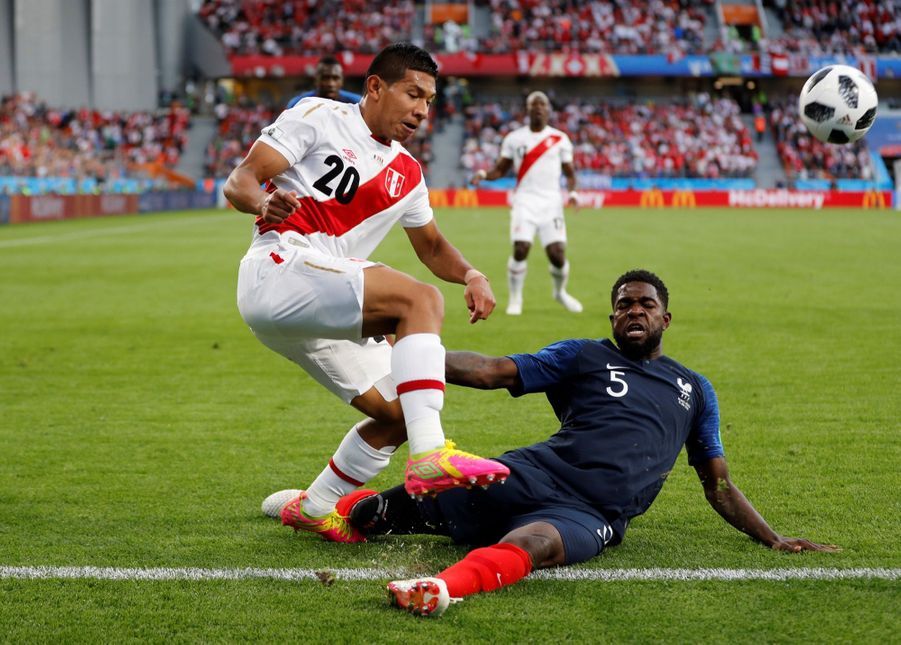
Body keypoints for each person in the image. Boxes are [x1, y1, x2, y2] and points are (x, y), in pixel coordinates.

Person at [298, 269, 838, 616]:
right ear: (612, 316)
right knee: (376, 516)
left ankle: (441, 590)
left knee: (535, 544)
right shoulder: (583, 355)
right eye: (624, 304)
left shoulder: (694, 389)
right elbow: (493, 371)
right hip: (529, 473)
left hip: (593, 511)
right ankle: (313, 506)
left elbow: (717, 483)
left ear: (665, 318)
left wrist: (773, 538)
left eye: (645, 305)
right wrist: (416, 351)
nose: (634, 311)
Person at [225, 43, 509, 545]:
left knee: (402, 411)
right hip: (280, 268)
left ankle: (313, 506)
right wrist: (265, 202)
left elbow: (433, 245)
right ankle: (432, 453)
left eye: (430, 100)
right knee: (420, 302)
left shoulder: (408, 173)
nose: (422, 110)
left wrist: (470, 275)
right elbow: (241, 180)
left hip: (320, 303)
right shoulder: (319, 115)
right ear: (375, 87)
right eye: (413, 94)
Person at [470, 91, 582, 316]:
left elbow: (570, 173)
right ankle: (516, 298)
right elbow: (500, 169)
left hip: (551, 203)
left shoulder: (560, 139)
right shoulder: (514, 138)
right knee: (521, 248)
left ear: (548, 110)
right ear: (527, 109)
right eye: (534, 104)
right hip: (524, 201)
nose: (539, 108)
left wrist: (573, 193)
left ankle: (560, 293)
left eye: (543, 104)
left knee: (557, 254)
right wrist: (483, 173)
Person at [286, 56, 362, 109]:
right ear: (316, 79)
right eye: (325, 78)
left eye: (335, 78)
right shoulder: (297, 104)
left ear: (342, 80)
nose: (330, 84)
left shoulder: (357, 104)